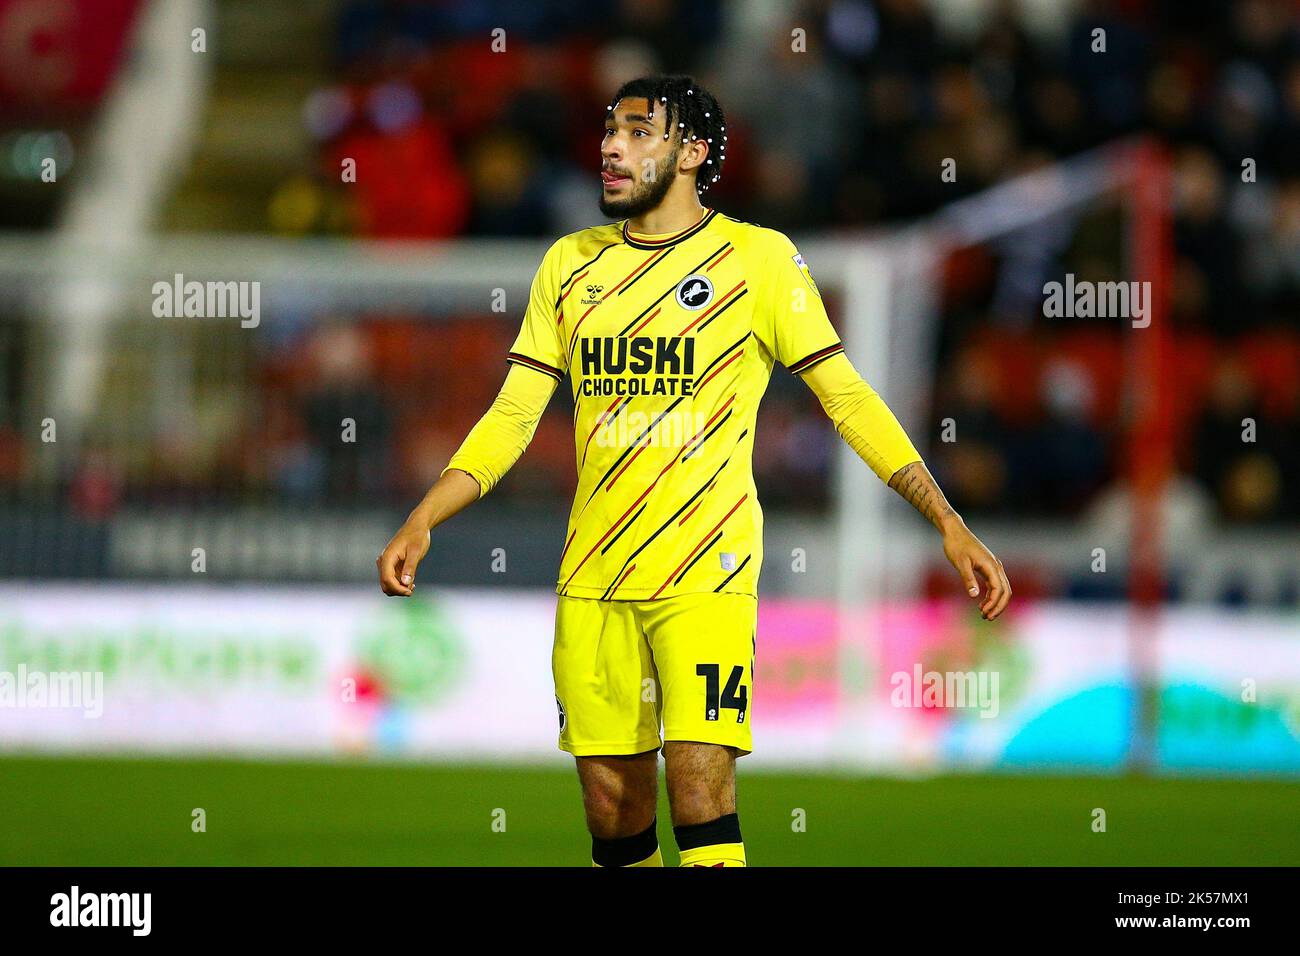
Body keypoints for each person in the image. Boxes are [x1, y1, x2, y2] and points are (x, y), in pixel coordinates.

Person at [378, 75, 1011, 867]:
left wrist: (946, 520)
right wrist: (425, 515)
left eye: (640, 133)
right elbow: (513, 415)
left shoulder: (758, 260)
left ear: (694, 153)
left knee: (700, 787)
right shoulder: (569, 265)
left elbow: (845, 397)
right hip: (594, 572)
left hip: (708, 569)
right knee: (612, 807)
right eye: (611, 131)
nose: (612, 146)